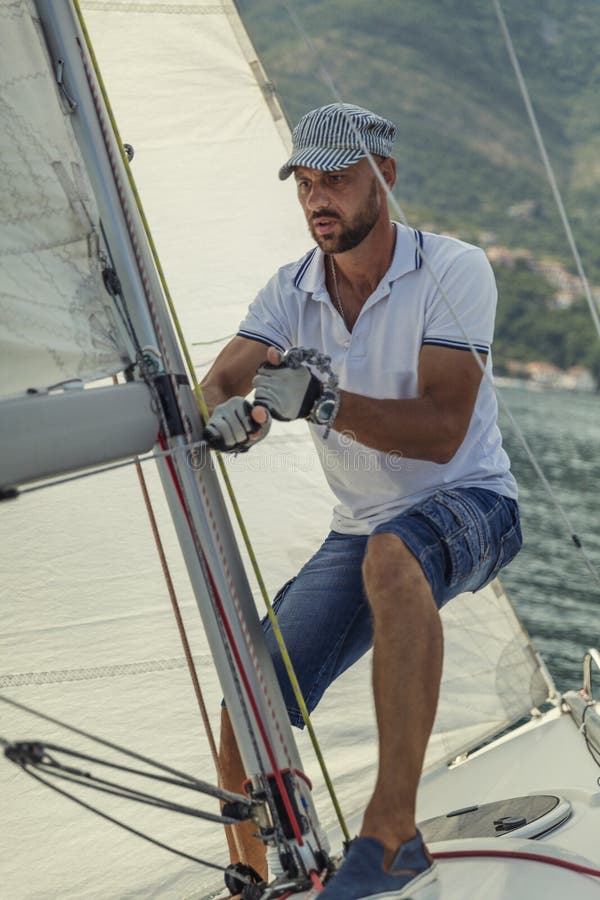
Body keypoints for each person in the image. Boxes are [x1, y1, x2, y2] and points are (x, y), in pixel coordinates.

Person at [202, 102, 521, 899]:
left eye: (337, 180)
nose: (319, 199)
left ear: (385, 176)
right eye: (305, 183)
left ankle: (393, 838)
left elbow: (446, 429)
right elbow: (219, 383)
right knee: (251, 698)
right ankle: (251, 876)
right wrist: (227, 419)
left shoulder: (453, 270)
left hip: (474, 502)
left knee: (393, 552)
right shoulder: (292, 290)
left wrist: (321, 402)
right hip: (363, 531)